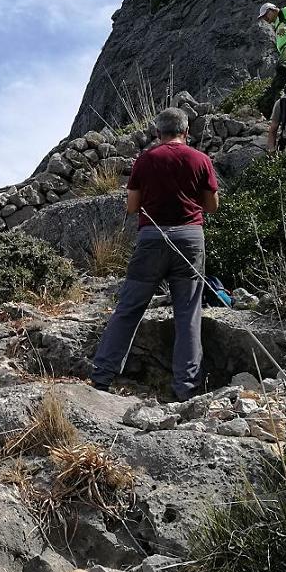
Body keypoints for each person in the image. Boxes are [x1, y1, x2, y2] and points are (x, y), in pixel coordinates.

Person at [90, 107, 219, 401]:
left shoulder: (145, 160)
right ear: (186, 131)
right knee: (188, 313)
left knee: (129, 307)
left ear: (157, 133)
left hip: (151, 238)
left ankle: (102, 376)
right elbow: (211, 206)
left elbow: (132, 207)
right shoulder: (201, 160)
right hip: (190, 238)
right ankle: (185, 389)